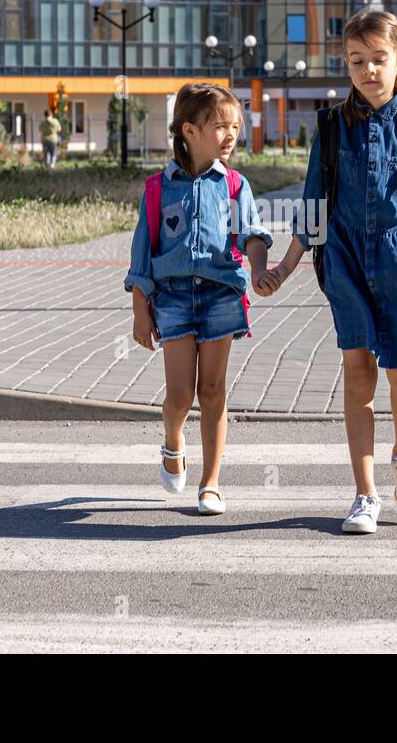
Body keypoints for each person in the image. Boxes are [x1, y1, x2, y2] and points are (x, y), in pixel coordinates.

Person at [257, 10, 397, 534]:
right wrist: (286, 266)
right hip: (347, 262)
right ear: (345, 63)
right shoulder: (331, 128)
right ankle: (364, 494)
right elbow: (313, 203)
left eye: (379, 59)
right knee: (358, 372)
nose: (368, 69)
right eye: (357, 60)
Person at [124, 82, 274, 515]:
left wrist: (260, 269)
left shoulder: (233, 185)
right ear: (189, 130)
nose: (231, 136)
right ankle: (173, 442)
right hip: (171, 299)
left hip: (221, 295)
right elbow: (142, 251)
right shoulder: (157, 188)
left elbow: (251, 235)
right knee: (178, 396)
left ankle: (211, 483)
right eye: (220, 126)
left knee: (212, 391)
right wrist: (140, 307)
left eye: (235, 127)